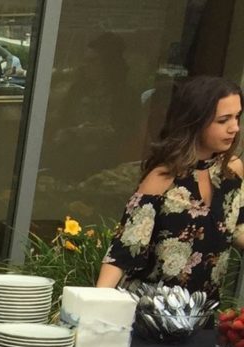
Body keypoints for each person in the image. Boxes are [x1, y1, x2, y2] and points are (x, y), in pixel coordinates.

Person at [99, 74, 244, 299]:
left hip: (202, 314)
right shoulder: (163, 177)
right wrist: (93, 305)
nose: (234, 128)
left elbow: (238, 227)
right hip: (150, 314)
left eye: (237, 117)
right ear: (196, 120)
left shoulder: (232, 171)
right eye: (223, 120)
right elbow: (124, 249)